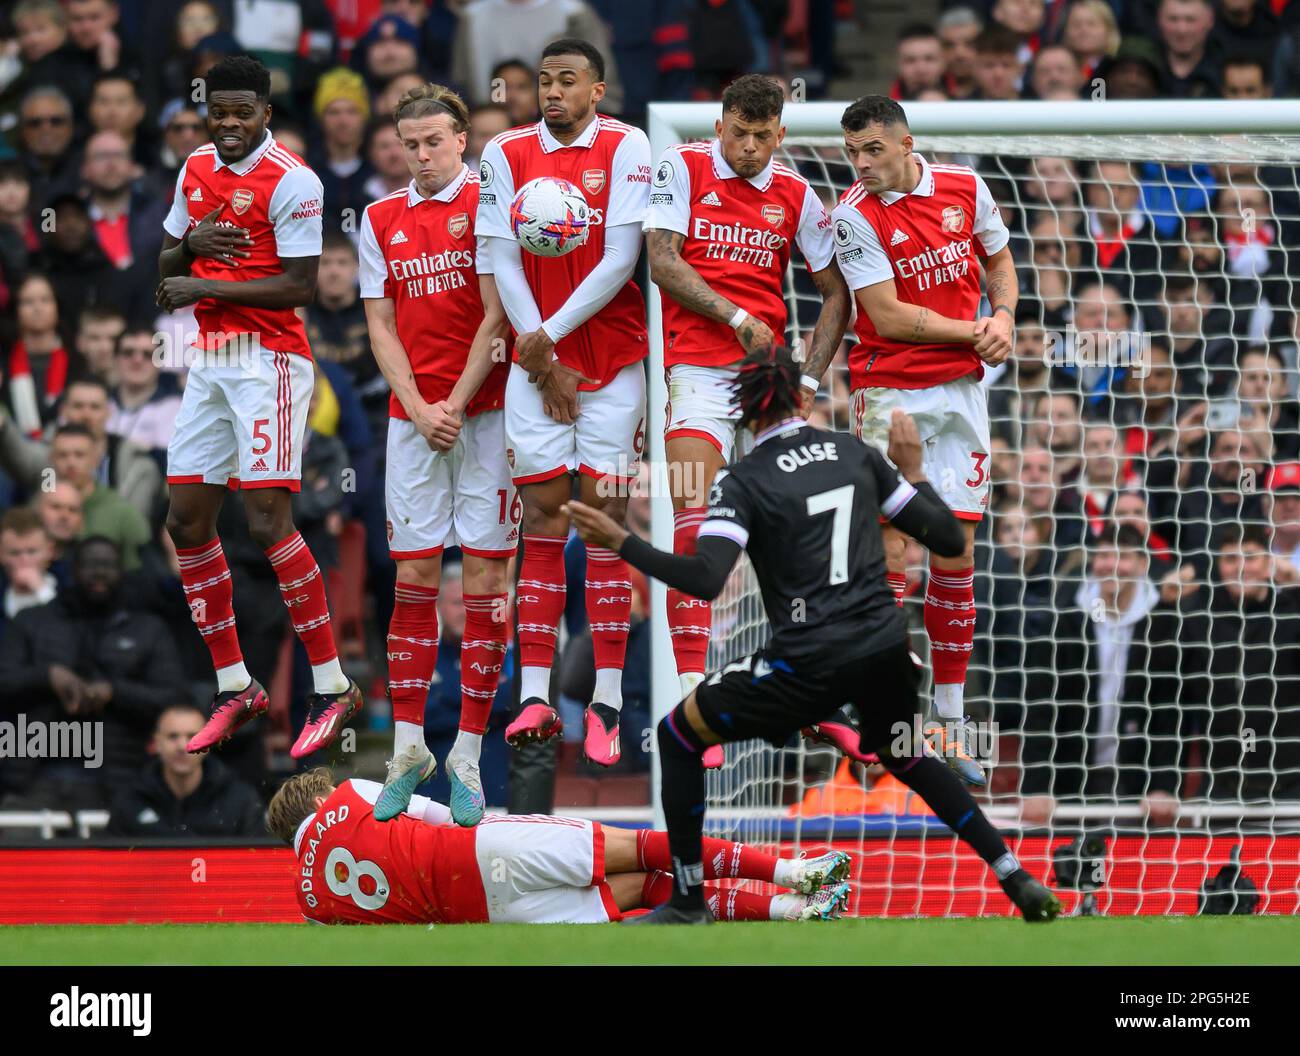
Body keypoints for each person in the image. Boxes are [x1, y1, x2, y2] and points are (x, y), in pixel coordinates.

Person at [564, 346, 1059, 925]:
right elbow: (949, 541)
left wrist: (623, 543)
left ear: (745, 416)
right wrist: (916, 472)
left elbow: (704, 579)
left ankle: (688, 901)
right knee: (907, 756)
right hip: (886, 651)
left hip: (808, 662)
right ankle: (1016, 876)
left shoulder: (743, 482)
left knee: (677, 737)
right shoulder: (856, 454)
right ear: (803, 399)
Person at [155, 55, 362, 761]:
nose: (232, 123)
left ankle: (332, 685)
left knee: (268, 518)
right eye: (221, 111)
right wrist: (188, 248)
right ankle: (235, 683)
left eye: (245, 112)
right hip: (212, 362)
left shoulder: (295, 180)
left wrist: (204, 286)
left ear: (267, 114)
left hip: (270, 361)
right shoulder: (194, 169)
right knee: (185, 519)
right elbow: (165, 264)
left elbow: (301, 286)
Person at [644, 73, 848, 765]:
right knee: (692, 525)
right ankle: (692, 704)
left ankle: (807, 688)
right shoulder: (683, 165)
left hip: (769, 382)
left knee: (801, 533)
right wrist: (735, 318)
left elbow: (836, 291)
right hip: (697, 369)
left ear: (781, 133)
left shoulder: (794, 192)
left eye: (765, 135)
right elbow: (662, 262)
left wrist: (813, 379)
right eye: (741, 132)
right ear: (721, 123)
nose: (751, 146)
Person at [830, 95, 1017, 786]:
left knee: (957, 550)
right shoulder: (852, 215)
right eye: (852, 153)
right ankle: (882, 703)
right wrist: (978, 330)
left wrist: (1002, 311)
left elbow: (998, 260)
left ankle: (949, 716)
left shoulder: (966, 187)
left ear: (908, 144)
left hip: (961, 393)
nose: (862, 164)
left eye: (873, 150)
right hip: (892, 389)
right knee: (892, 550)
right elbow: (887, 315)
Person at [475, 39, 650, 766]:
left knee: (604, 519)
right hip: (534, 363)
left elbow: (621, 257)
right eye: (544, 81)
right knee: (543, 521)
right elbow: (502, 259)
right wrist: (539, 354)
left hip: (610, 360)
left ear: (597, 89)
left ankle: (608, 696)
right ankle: (538, 693)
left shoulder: (629, 144)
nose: (551, 91)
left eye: (566, 80)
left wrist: (548, 338)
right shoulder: (505, 152)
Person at [358, 83, 514, 825]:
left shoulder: (492, 202)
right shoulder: (381, 218)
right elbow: (379, 324)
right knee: (414, 578)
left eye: (433, 142)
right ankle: (409, 747)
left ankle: (469, 755)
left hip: (487, 418)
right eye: (408, 145)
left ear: (461, 139)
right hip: (414, 422)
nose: (421, 156)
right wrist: (421, 407)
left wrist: (455, 400)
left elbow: (498, 313)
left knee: (486, 581)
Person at [267, 767, 853, 924]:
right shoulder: (348, 794)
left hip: (486, 916)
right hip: (481, 849)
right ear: (316, 798)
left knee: (646, 892)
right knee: (647, 848)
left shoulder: (310, 902)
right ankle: (789, 874)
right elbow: (442, 815)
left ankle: (792, 911)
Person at [107, 703, 267, 837]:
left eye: (192, 736)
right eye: (172, 736)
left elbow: (256, 865)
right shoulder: (129, 801)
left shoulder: (240, 800)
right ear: (157, 743)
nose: (183, 746)